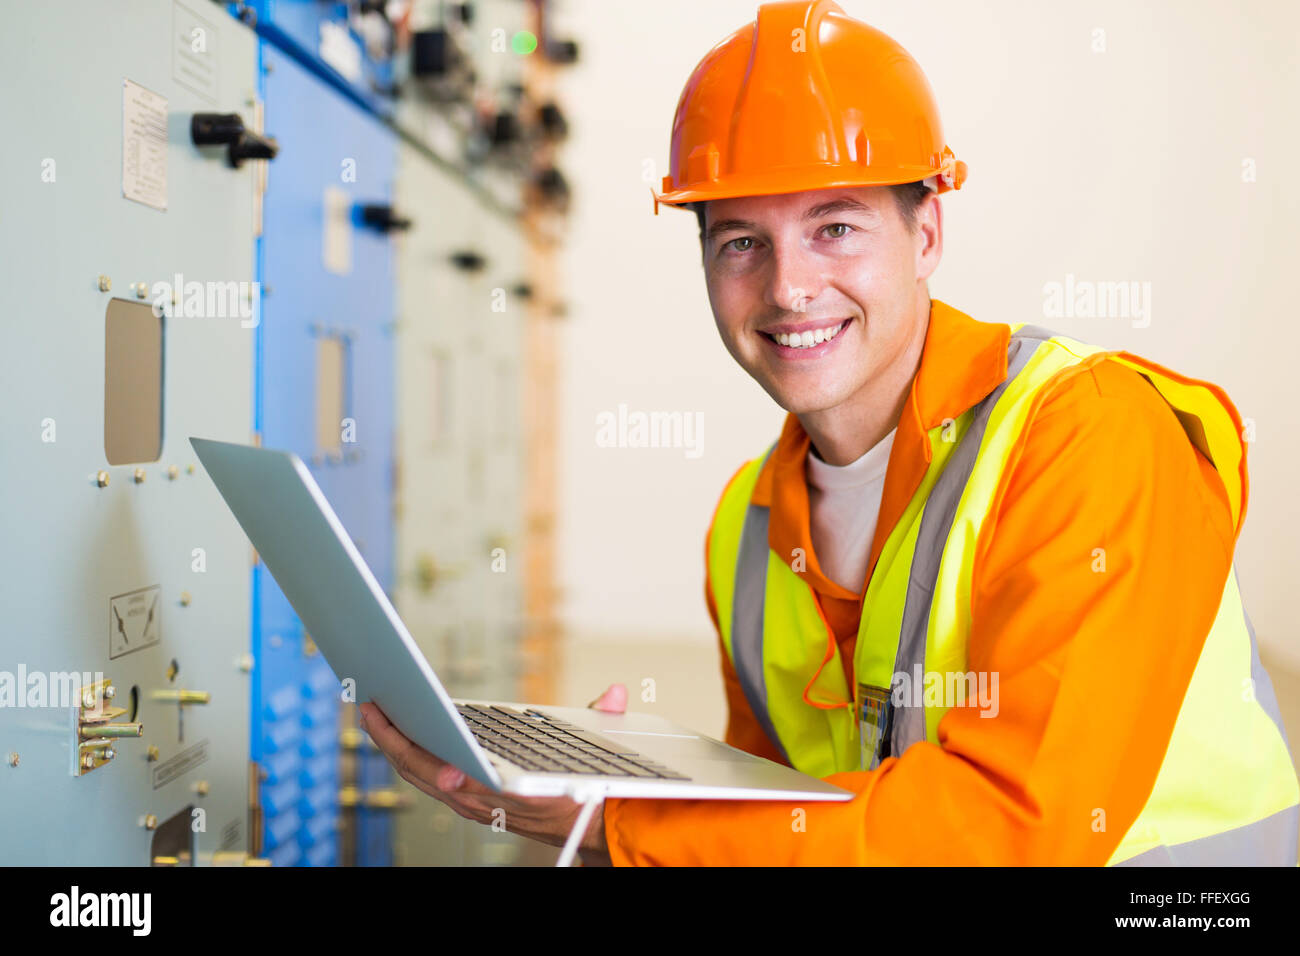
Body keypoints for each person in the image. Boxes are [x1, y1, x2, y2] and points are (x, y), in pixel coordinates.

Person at [360, 0, 1298, 866]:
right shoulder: (750, 526)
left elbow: (1019, 827)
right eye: (739, 242)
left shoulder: (1089, 437)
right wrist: (624, 776)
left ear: (926, 232)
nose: (788, 288)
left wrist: (629, 823)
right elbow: (790, 817)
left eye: (836, 227)